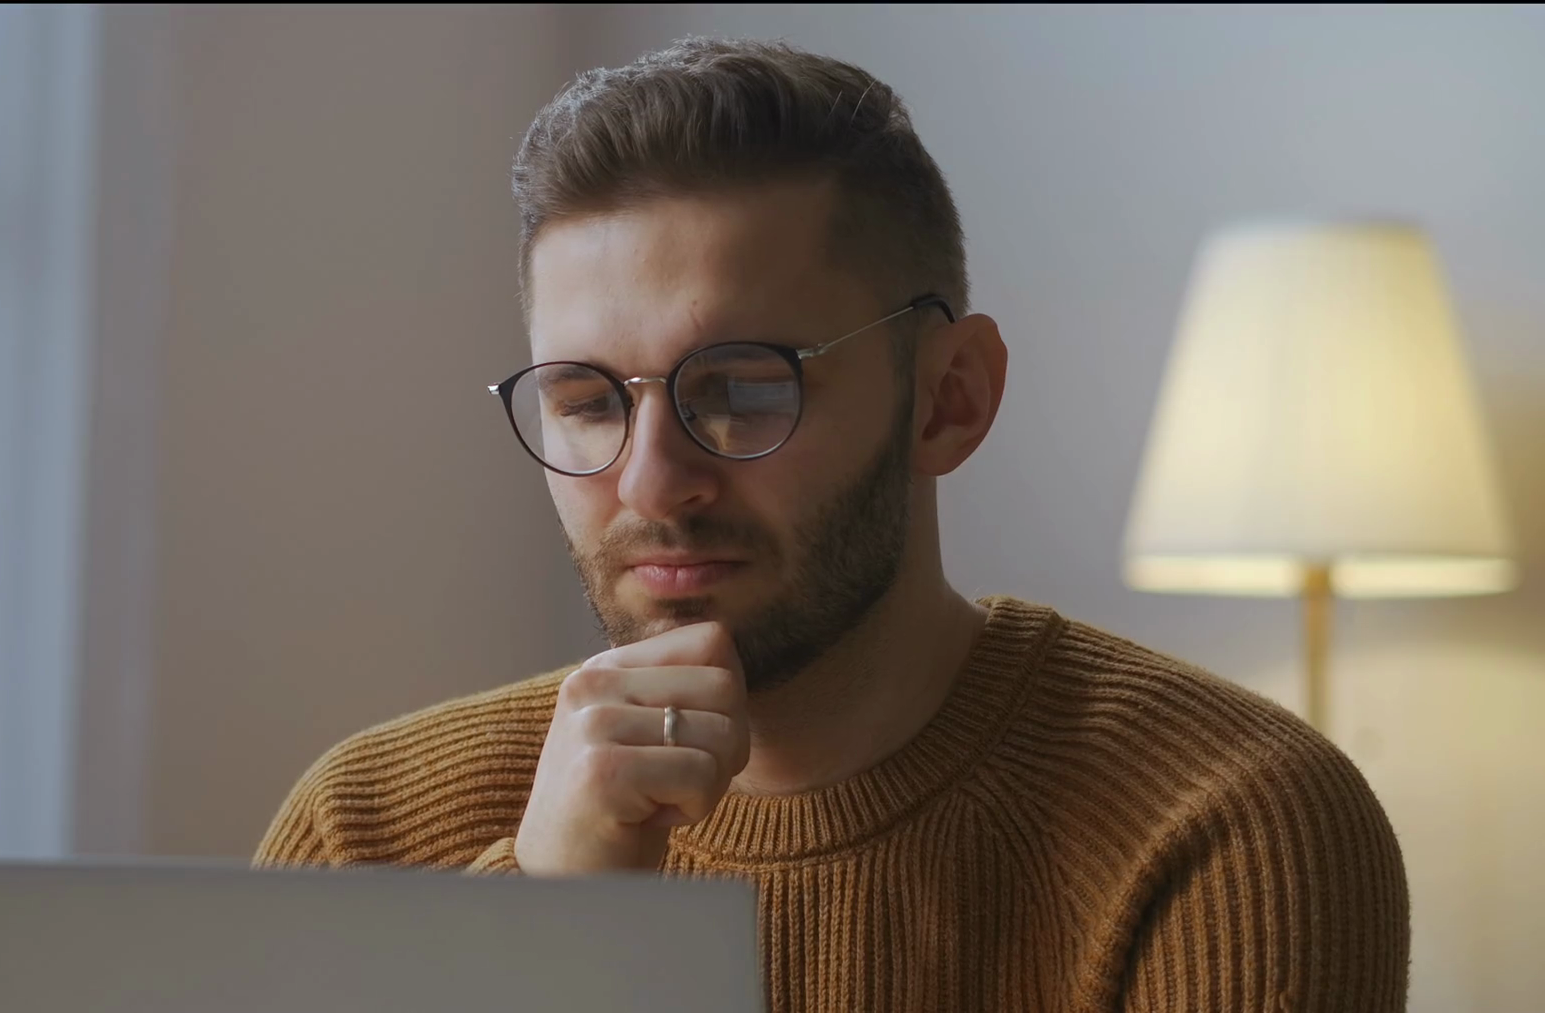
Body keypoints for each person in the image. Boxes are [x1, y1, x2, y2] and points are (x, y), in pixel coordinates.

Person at [255, 37, 1409, 1012]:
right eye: (589, 402)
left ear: (951, 397)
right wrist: (549, 921)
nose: (654, 483)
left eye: (743, 389)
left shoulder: (1220, 825)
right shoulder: (372, 827)